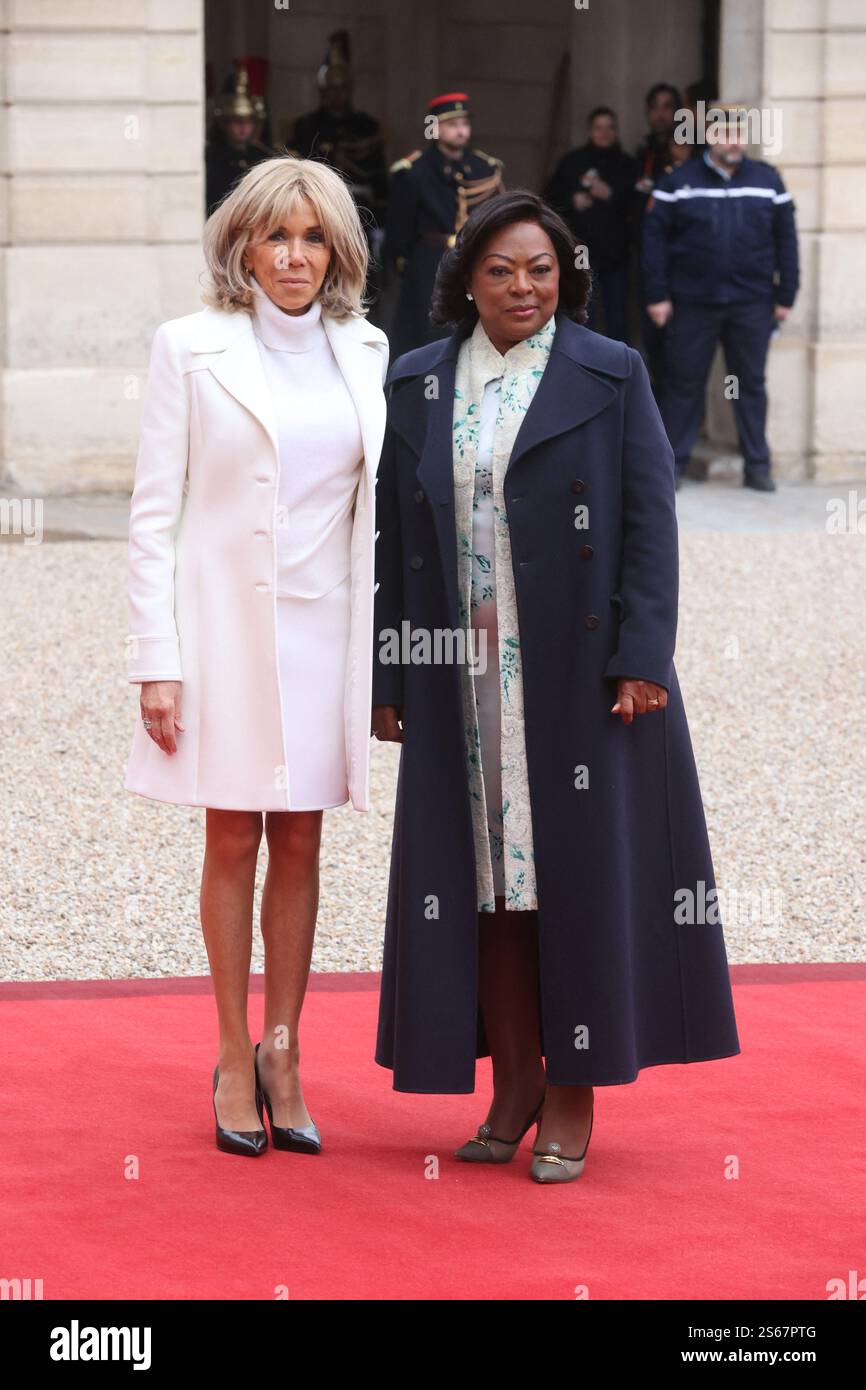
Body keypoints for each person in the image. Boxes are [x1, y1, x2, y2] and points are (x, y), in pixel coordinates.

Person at [371, 190, 740, 1186]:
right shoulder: (416, 382)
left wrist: (639, 657)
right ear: (466, 281)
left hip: (579, 679)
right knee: (486, 884)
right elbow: (397, 543)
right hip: (459, 679)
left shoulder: (610, 373)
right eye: (500, 270)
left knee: (572, 879)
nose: (523, 286)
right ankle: (513, 1086)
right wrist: (389, 673)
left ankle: (573, 1093)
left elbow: (650, 530)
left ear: (565, 274)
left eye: (540, 269)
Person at [124, 157, 388, 1156]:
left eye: (312, 237)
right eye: (275, 236)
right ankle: (233, 1052)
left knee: (304, 843)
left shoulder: (364, 349)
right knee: (231, 836)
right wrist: (159, 657)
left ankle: (285, 1048)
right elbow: (154, 513)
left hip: (325, 633)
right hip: (224, 629)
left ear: (337, 251)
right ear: (240, 243)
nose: (293, 256)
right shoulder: (187, 347)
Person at [642, 104, 799, 491]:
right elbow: (653, 241)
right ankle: (673, 466)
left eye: (740, 135)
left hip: (752, 303)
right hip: (693, 302)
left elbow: (786, 239)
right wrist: (657, 294)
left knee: (750, 384)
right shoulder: (679, 181)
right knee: (683, 384)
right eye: (726, 135)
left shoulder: (767, 180)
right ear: (710, 137)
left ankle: (757, 466)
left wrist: (786, 294)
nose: (735, 142)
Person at [384, 91, 504, 357]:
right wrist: (403, 260)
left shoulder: (485, 168)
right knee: (427, 333)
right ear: (434, 128)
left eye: (464, 124)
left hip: (474, 258)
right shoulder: (414, 171)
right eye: (452, 125)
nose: (461, 131)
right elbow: (400, 227)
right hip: (429, 261)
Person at [291, 30, 388, 315]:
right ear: (322, 91)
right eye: (332, 89)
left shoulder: (366, 125)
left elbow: (378, 175)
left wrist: (382, 222)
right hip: (319, 211)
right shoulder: (306, 126)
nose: (337, 95)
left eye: (343, 89)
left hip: (361, 213)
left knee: (364, 277)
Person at [543, 106, 637, 342]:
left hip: (617, 255)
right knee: (582, 317)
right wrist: (573, 200)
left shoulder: (627, 165)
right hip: (581, 255)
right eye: (599, 128)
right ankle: (582, 373)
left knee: (618, 319)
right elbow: (548, 197)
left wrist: (612, 196)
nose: (604, 133)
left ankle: (618, 374)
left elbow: (640, 206)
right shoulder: (573, 162)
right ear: (589, 131)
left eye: (609, 128)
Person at [633, 82, 683, 392]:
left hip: (682, 259)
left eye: (668, 106)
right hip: (648, 256)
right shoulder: (644, 153)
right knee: (652, 334)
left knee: (680, 340)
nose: (661, 114)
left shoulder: (690, 156)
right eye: (656, 107)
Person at [205, 65, 275, 216]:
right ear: (225, 124)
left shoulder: (264, 157)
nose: (243, 127)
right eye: (237, 121)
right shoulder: (212, 158)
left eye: (248, 121)